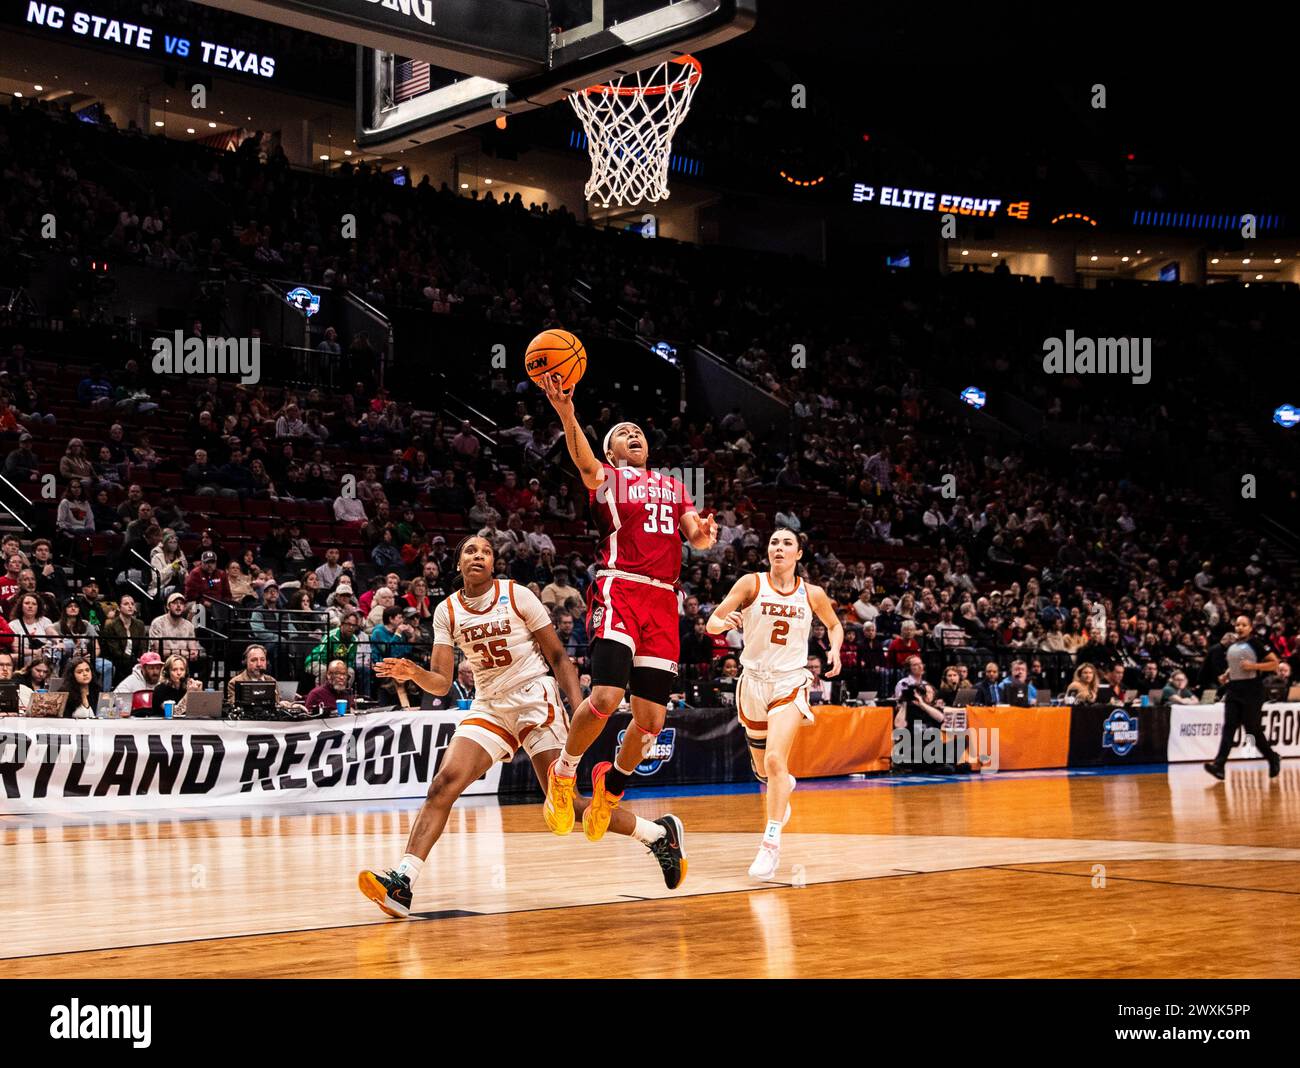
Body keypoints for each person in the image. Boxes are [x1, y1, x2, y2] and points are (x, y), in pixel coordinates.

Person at [359, 535, 686, 919]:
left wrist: (583, 714)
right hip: (490, 706)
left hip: (535, 700)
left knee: (567, 805)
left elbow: (559, 655)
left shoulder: (516, 596)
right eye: (470, 551)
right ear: (459, 563)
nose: (478, 555)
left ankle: (658, 834)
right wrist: (414, 673)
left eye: (485, 551)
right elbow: (443, 683)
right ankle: (403, 882)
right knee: (443, 784)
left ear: (494, 563)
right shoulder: (447, 611)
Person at [538, 376, 717, 843]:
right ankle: (564, 772)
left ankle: (611, 785)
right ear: (611, 450)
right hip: (622, 587)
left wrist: (703, 537)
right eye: (623, 432)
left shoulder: (674, 485)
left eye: (638, 429)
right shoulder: (608, 478)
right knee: (604, 698)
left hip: (664, 599)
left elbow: (693, 535)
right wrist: (566, 411)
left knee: (651, 721)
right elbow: (583, 462)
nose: (634, 434)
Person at [705, 528, 842, 879]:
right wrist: (724, 623)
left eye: (787, 543)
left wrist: (836, 649)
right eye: (774, 543)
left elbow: (834, 625)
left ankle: (770, 844)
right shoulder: (751, 583)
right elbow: (712, 621)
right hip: (753, 683)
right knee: (764, 771)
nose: (778, 548)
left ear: (799, 554)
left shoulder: (812, 594)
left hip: (790, 681)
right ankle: (783, 787)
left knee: (776, 759)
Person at [1205, 616, 1282, 780]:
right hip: (1234, 688)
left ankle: (1272, 757)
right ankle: (1219, 765)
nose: (1239, 627)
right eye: (1237, 624)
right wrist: (1226, 675)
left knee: (1252, 729)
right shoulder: (1233, 645)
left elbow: (1274, 663)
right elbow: (1236, 664)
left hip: (1252, 690)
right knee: (1229, 726)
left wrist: (1254, 666)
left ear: (1250, 628)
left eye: (1244, 625)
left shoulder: (1256, 643)